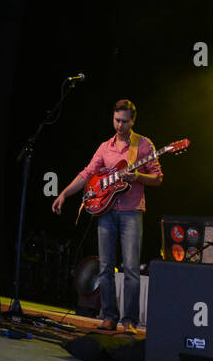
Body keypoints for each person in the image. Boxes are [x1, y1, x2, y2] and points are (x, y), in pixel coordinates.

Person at [52, 99, 163, 333]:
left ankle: (130, 321)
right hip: (106, 212)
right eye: (116, 120)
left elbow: (158, 178)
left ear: (133, 120)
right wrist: (64, 193)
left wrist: (139, 178)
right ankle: (109, 316)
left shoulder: (143, 145)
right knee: (105, 266)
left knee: (131, 268)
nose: (119, 125)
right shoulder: (105, 147)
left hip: (132, 212)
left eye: (124, 121)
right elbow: (87, 174)